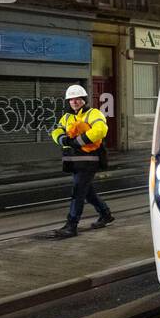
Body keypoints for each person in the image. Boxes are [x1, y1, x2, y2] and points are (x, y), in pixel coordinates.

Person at [49, 84, 114, 238]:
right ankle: (105, 214)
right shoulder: (66, 117)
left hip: (89, 160)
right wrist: (62, 138)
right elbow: (56, 130)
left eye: (77, 99)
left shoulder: (93, 113)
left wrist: (78, 141)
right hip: (74, 161)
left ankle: (71, 225)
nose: (74, 102)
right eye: (71, 99)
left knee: (78, 191)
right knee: (87, 192)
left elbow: (100, 129)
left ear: (84, 99)